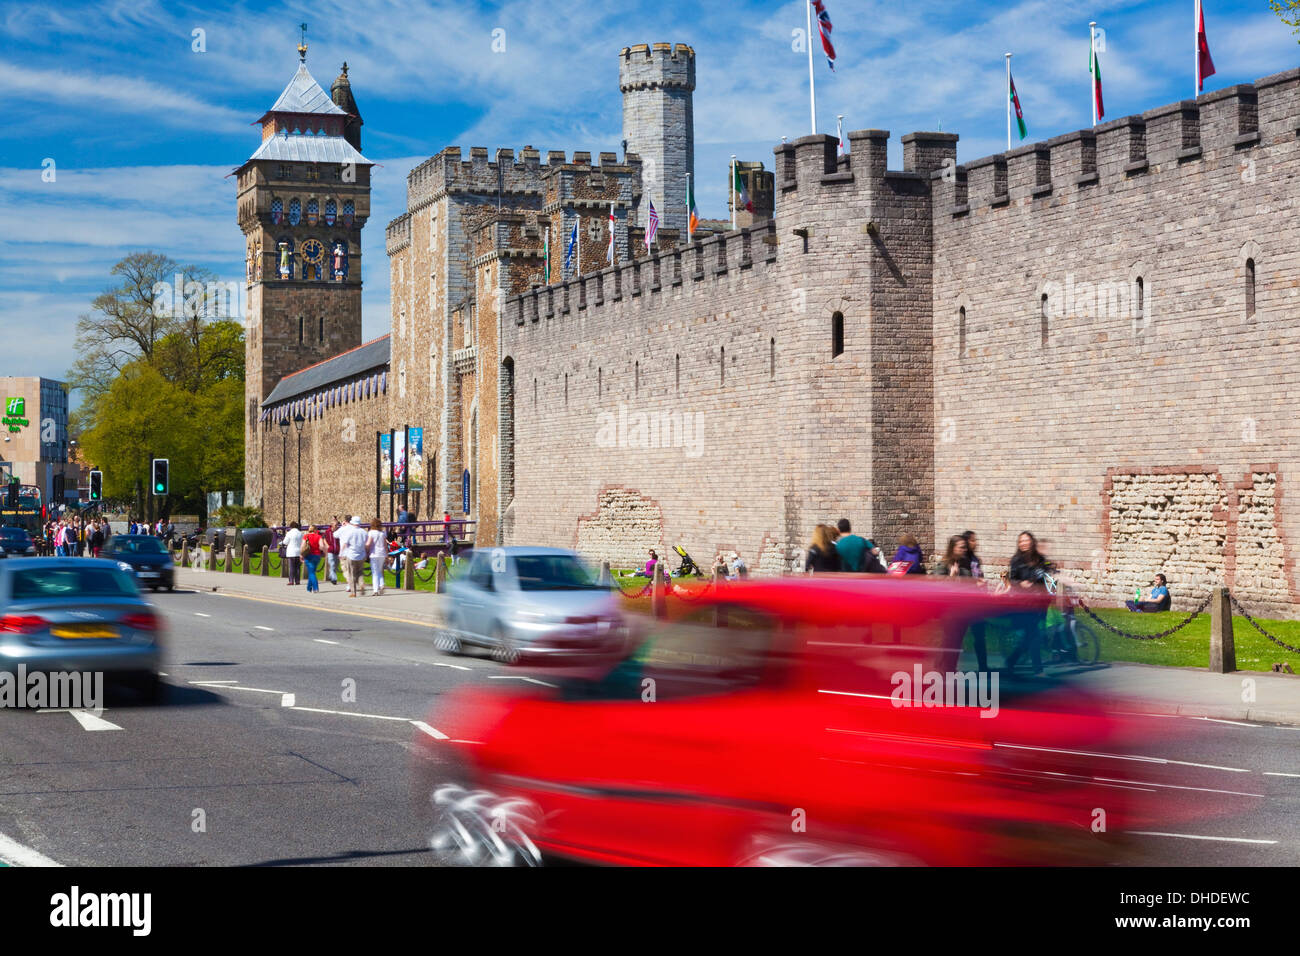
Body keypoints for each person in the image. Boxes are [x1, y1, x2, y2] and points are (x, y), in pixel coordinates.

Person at [1005, 531, 1051, 676]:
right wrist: (1020, 583)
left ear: (1032, 542)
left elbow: (1045, 577)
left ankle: (1011, 660)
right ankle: (1038, 670)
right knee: (1034, 635)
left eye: (1026, 540)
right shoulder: (1016, 560)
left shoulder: (1039, 559)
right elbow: (1011, 581)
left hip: (1038, 603)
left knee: (1029, 637)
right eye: (1021, 541)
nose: (1024, 543)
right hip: (1023, 604)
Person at [336, 516, 368, 598]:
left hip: (352, 555)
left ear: (352, 523)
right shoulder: (364, 532)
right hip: (361, 555)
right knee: (360, 572)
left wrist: (341, 553)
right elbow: (367, 544)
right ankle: (361, 584)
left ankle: (353, 592)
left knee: (351, 574)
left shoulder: (350, 532)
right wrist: (366, 553)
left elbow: (345, 544)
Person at [366, 517, 388, 596]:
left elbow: (368, 544)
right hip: (382, 553)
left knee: (375, 572)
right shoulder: (382, 533)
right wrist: (387, 555)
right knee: (379, 571)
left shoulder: (371, 533)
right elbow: (385, 545)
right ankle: (381, 584)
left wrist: (366, 550)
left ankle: (375, 590)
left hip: (374, 554)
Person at [283, 521, 304, 586]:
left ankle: (291, 581)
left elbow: (285, 542)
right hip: (298, 552)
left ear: (291, 527)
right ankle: (297, 581)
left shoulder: (289, 533)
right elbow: (302, 542)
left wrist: (282, 543)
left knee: (292, 567)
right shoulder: (300, 533)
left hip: (291, 552)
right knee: (297, 567)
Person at [324, 520, 340, 586]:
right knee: (332, 564)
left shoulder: (339, 531)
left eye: (337, 525)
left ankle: (331, 576)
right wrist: (327, 545)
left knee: (336, 565)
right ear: (332, 525)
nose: (337, 526)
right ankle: (334, 579)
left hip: (337, 550)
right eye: (335, 525)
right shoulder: (328, 531)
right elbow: (323, 538)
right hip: (330, 550)